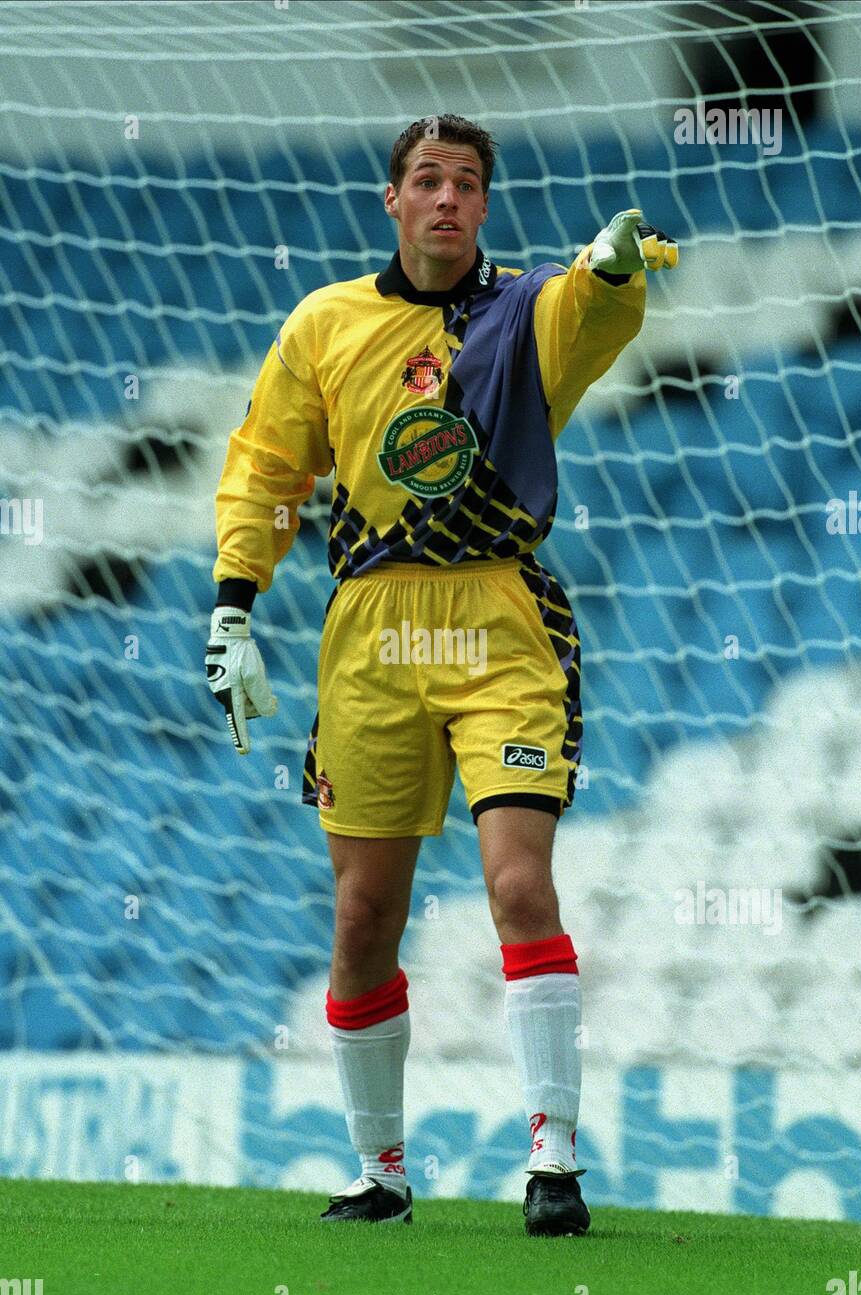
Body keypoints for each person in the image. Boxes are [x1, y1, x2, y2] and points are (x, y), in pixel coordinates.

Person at [207, 114, 677, 1236]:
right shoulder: (325, 322)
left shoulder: (523, 311)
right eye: (427, 179)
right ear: (392, 200)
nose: (447, 198)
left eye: (467, 181)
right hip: (369, 632)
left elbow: (586, 309)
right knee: (364, 912)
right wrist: (233, 604)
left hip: (496, 618)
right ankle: (381, 1171)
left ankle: (552, 1160)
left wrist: (607, 273)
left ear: (481, 204)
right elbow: (269, 467)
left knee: (517, 884)